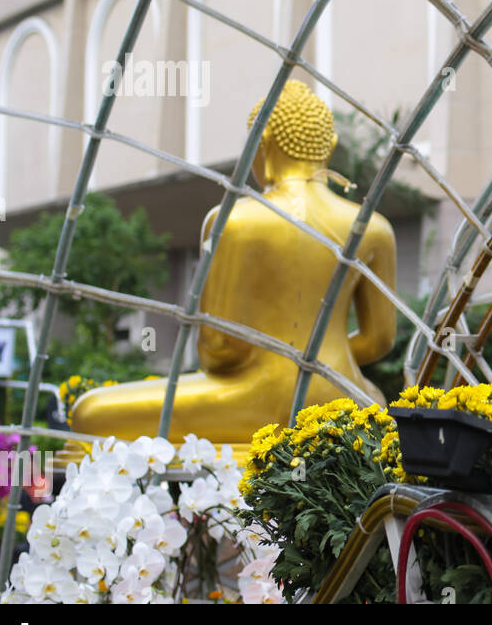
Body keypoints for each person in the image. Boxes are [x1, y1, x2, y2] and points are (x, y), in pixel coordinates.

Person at [71, 80, 396, 445]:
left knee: (89, 411)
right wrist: (322, 357)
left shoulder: (234, 220)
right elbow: (378, 340)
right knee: (377, 407)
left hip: (252, 398)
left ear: (264, 142)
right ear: (330, 147)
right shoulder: (373, 229)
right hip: (341, 399)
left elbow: (218, 349)